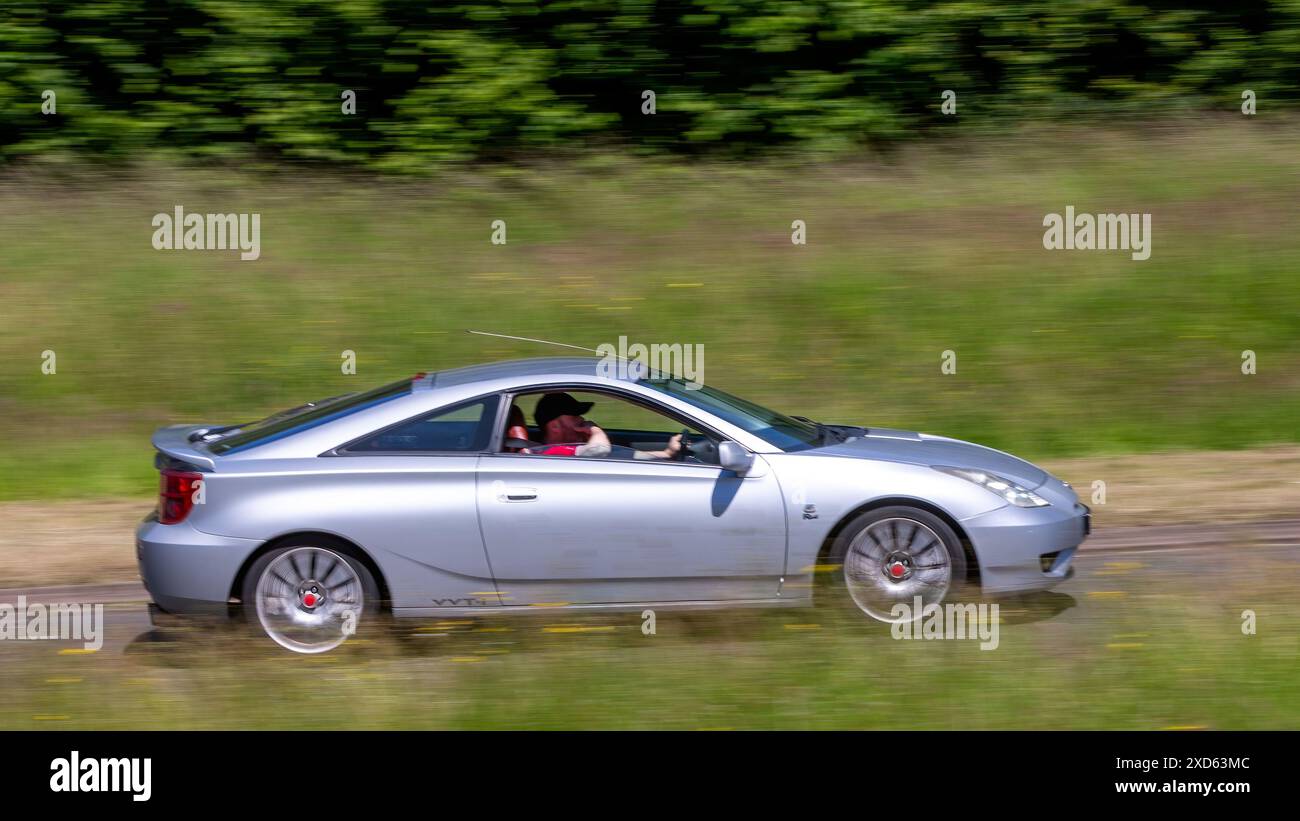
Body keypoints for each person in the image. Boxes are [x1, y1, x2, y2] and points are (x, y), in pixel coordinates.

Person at [531, 392, 681, 459]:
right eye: (574, 415)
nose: (581, 418)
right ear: (555, 427)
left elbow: (623, 457)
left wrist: (667, 454)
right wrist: (595, 431)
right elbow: (600, 450)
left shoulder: (575, 448)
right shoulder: (553, 453)